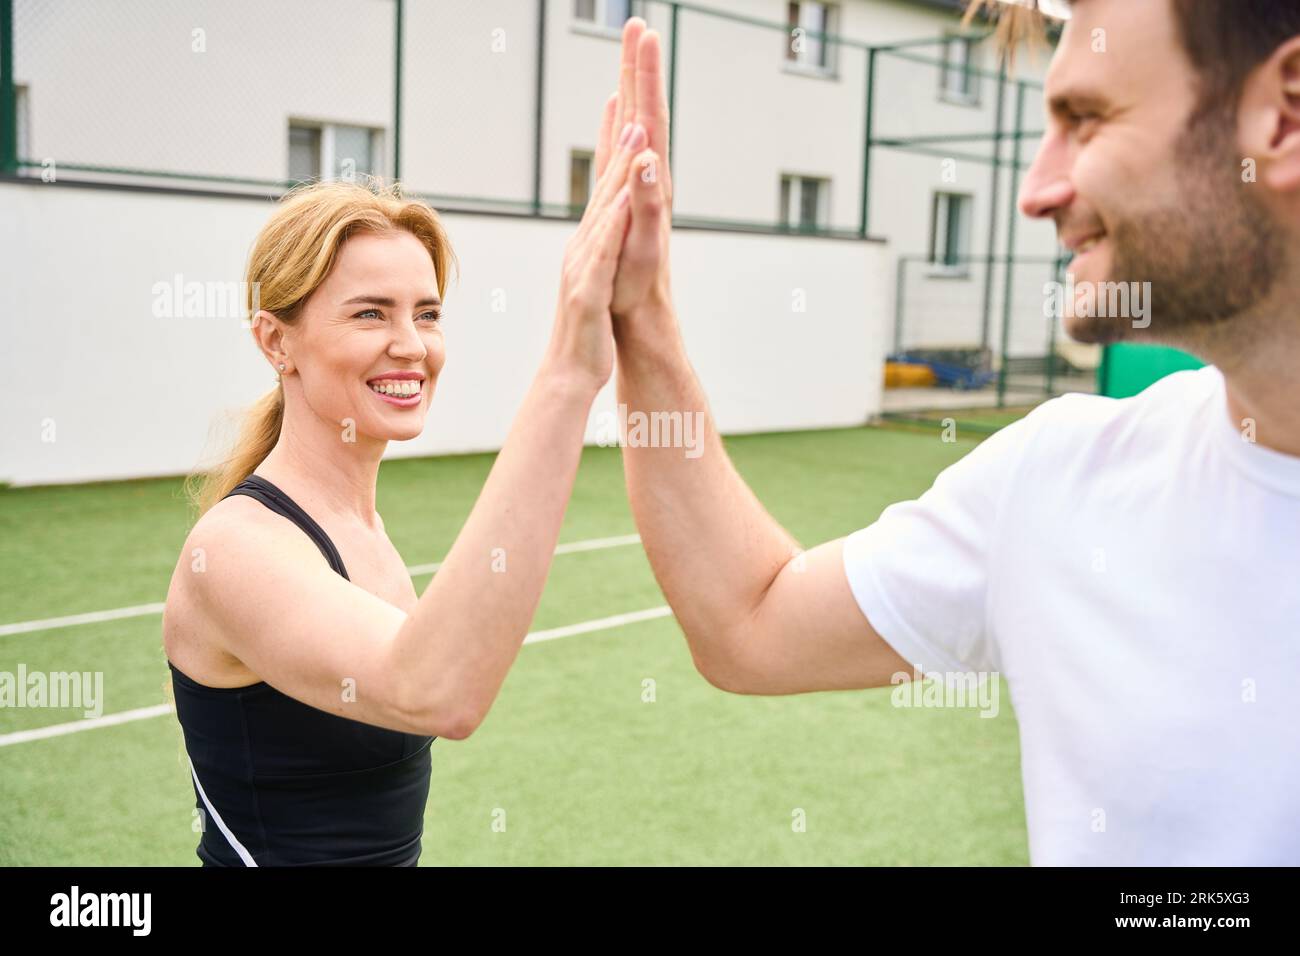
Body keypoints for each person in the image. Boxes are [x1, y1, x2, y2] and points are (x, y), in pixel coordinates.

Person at [602, 4, 1300, 865]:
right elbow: (751, 624)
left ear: (1286, 112)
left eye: (1084, 121)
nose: (1036, 188)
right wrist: (643, 316)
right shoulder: (1057, 474)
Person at [161, 110, 651, 864]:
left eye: (427, 313)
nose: (411, 345)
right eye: (370, 313)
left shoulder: (363, 533)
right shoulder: (235, 551)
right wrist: (569, 377)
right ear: (275, 340)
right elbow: (439, 690)